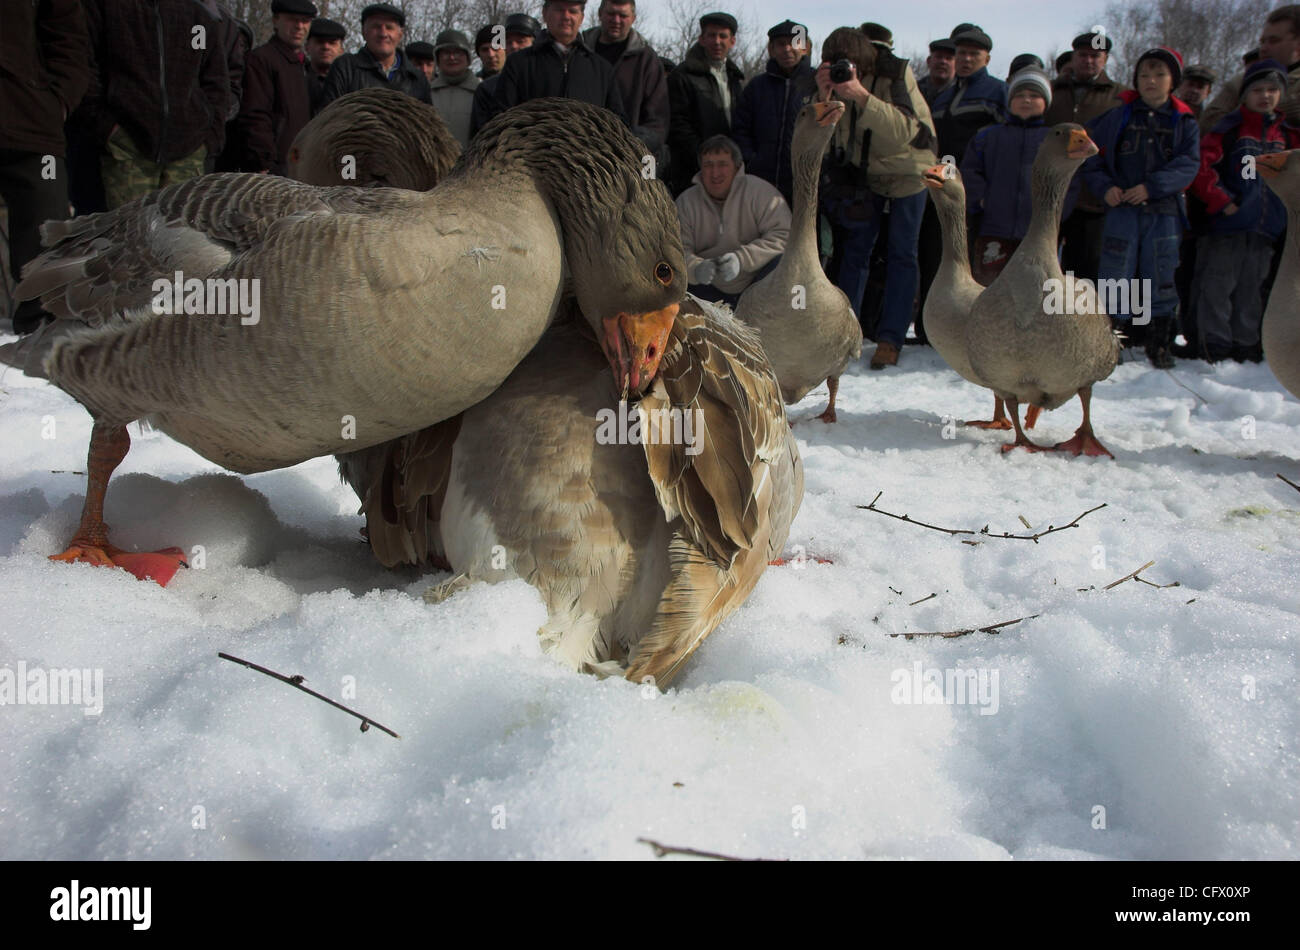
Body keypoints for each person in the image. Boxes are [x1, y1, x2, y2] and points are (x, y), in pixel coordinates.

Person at [817, 26, 936, 368]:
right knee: (856, 252)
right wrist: (823, 94)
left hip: (909, 172)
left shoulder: (896, 73)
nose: (845, 69)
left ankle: (891, 337)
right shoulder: (830, 84)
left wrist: (860, 95)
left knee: (902, 253)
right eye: (835, 63)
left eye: (850, 63)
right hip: (865, 175)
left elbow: (907, 131)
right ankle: (845, 332)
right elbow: (821, 132)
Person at [1082, 47, 1200, 369]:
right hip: (1121, 211)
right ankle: (1110, 343)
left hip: (1163, 213)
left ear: (1172, 80)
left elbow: (1189, 164)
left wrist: (1153, 187)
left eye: (1159, 74)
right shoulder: (1117, 115)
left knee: (1161, 274)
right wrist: (1105, 188)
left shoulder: (1183, 120)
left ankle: (1159, 343)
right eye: (1144, 75)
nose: (1151, 81)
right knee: (1115, 276)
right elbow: (1088, 155)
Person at [1190, 59, 1300, 362]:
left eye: (1272, 90)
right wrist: (1222, 201)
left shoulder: (1288, 136)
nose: (1265, 96)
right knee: (1218, 285)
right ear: (1245, 95)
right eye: (1258, 90)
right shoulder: (1230, 128)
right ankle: (1214, 344)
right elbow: (1203, 167)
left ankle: (1246, 345)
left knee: (1253, 288)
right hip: (1229, 225)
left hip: (1268, 227)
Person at [81, 0, 231, 209]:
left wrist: (209, 140)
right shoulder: (107, 9)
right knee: (127, 237)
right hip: (127, 150)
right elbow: (86, 72)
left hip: (188, 154)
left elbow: (217, 83)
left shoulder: (199, 18)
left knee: (180, 238)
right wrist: (106, 128)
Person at [1, 0, 90, 334]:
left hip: (31, 121)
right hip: (35, 113)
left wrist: (58, 103)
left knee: (46, 228)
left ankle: (43, 326)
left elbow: (69, 39)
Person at [961, 67, 1078, 284]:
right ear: (1009, 100)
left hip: (1038, 235)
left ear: (1045, 101)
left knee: (1033, 289)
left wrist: (1056, 213)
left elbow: (1069, 180)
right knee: (990, 287)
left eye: (1034, 95)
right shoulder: (988, 136)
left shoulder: (1055, 140)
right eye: (1019, 95)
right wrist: (979, 200)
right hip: (993, 230)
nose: (1026, 100)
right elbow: (970, 171)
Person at [1046, 31, 1130, 289]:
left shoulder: (1120, 97)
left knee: (1085, 269)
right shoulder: (1051, 91)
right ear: (1074, 56)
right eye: (1083, 55)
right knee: (1047, 266)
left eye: (1096, 56)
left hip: (1092, 199)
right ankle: (1044, 323)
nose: (1089, 61)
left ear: (1105, 60)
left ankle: (1078, 322)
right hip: (1052, 195)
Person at [675, 135, 790, 307]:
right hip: (707, 290)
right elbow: (675, 249)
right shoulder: (685, 202)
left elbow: (785, 236)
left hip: (756, 285)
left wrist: (741, 259)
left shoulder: (762, 192)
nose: (715, 173)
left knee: (784, 263)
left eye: (722, 164)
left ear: (737, 167)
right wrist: (696, 269)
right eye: (708, 165)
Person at [491, 1, 625, 122]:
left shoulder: (602, 69)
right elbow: (500, 118)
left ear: (581, 17)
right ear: (545, 13)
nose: (566, 16)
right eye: (559, 10)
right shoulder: (519, 63)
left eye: (572, 11)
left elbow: (618, 123)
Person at [731, 20, 816, 206]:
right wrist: (752, 160)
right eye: (780, 44)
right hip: (761, 182)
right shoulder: (757, 86)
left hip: (804, 186)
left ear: (805, 47)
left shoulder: (817, 85)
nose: (787, 49)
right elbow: (740, 128)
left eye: (794, 42)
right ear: (771, 49)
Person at [581, 1, 669, 173]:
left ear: (633, 18)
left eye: (623, 15)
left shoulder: (647, 60)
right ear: (599, 14)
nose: (616, 20)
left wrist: (625, 145)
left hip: (632, 158)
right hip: (582, 155)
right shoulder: (581, 52)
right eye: (611, 14)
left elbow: (658, 122)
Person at [667, 12, 745, 195]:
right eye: (711, 35)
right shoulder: (682, 76)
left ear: (732, 41)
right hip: (693, 175)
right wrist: (706, 162)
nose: (717, 41)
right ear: (702, 39)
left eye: (723, 36)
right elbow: (678, 127)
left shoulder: (735, 79)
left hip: (730, 174)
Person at [237, 0, 316, 176]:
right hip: (272, 169)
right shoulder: (261, 59)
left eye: (305, 21)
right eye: (292, 20)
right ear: (275, 20)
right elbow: (254, 114)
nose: (299, 26)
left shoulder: (305, 66)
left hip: (298, 166)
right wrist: (263, 163)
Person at [1200, 5, 1300, 130]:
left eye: (1274, 41)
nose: (1263, 49)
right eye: (1262, 42)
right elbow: (1208, 123)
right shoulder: (1241, 81)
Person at [317, 3, 432, 110]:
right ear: (363, 32)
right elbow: (329, 118)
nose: (383, 34)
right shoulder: (345, 68)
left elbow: (428, 125)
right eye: (376, 27)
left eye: (389, 27)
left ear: (400, 35)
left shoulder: (416, 78)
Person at [469, 13, 538, 136]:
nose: (514, 46)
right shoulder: (487, 88)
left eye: (520, 41)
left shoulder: (550, 77)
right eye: (509, 42)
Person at [428, 31, 480, 147]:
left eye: (458, 53)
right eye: (446, 53)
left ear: (467, 58)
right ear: (437, 59)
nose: (452, 58)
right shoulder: (427, 93)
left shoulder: (482, 92)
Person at [306, 17, 347, 114]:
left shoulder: (349, 82)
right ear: (307, 46)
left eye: (332, 43)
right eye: (320, 42)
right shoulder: (295, 78)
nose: (326, 47)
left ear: (341, 50)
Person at [917, 38, 955, 105]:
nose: (943, 62)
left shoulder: (962, 93)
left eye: (949, 58)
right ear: (929, 61)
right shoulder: (915, 91)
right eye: (938, 57)